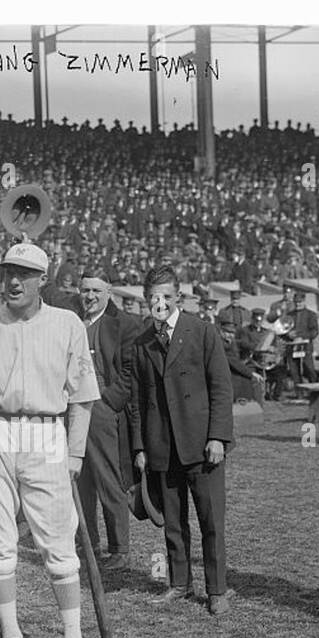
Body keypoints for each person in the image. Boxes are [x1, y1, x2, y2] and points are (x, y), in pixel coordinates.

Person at [0, 242, 101, 638]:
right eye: (8, 272)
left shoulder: (67, 323)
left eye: (25, 274)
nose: (14, 281)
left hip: (46, 434)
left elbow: (84, 398)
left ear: (42, 280)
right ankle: (11, 636)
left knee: (57, 542)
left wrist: (74, 451)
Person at [129, 264, 234, 615]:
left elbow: (221, 388)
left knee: (210, 521)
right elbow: (139, 398)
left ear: (179, 298)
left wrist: (217, 437)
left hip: (202, 446)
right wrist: (140, 446)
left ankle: (217, 590)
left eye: (167, 297)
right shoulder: (143, 341)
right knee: (173, 522)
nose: (160, 304)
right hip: (163, 446)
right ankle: (179, 583)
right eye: (153, 298)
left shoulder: (203, 332)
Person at [76, 271, 139, 572]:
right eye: (85, 290)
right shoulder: (73, 320)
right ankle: (87, 542)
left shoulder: (123, 323)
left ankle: (119, 548)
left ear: (109, 292)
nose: (89, 296)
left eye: (96, 291)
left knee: (107, 477)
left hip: (102, 409)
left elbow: (130, 372)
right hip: (73, 407)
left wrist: (108, 402)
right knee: (78, 478)